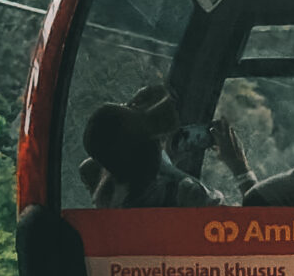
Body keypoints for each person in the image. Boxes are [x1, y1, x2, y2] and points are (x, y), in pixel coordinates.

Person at [82, 88, 252, 208]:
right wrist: (239, 167)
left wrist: (167, 163)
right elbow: (258, 230)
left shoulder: (107, 193)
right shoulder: (190, 194)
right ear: (154, 148)